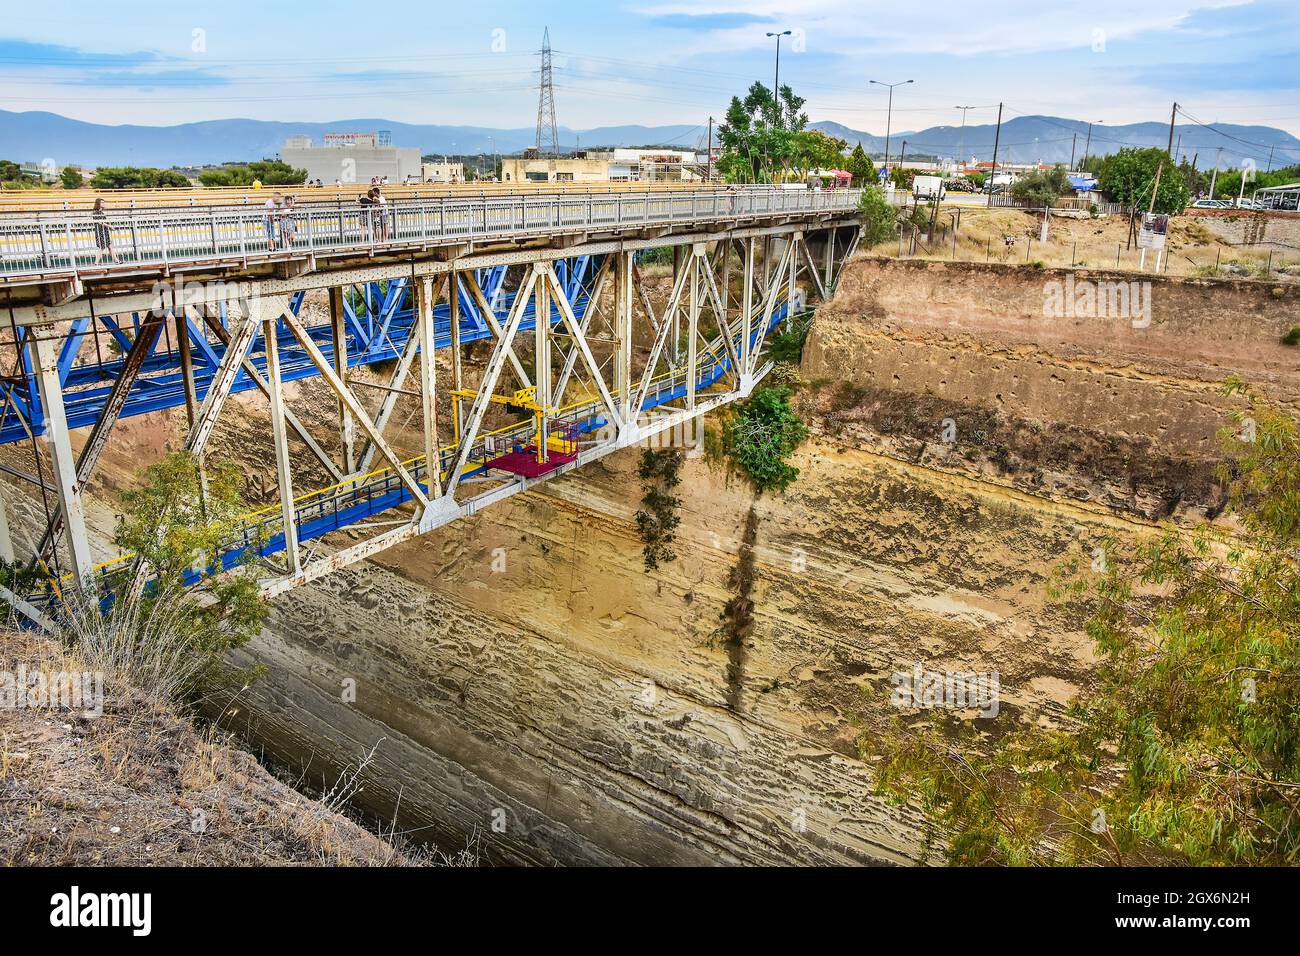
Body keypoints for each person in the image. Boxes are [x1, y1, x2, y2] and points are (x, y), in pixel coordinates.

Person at [92, 198, 117, 264]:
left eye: (104, 202)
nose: (104, 204)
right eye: (102, 203)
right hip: (100, 232)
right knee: (102, 247)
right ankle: (96, 262)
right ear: (98, 204)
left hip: (104, 231)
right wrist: (109, 226)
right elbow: (100, 222)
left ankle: (116, 260)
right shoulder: (96, 212)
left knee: (109, 245)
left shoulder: (101, 212)